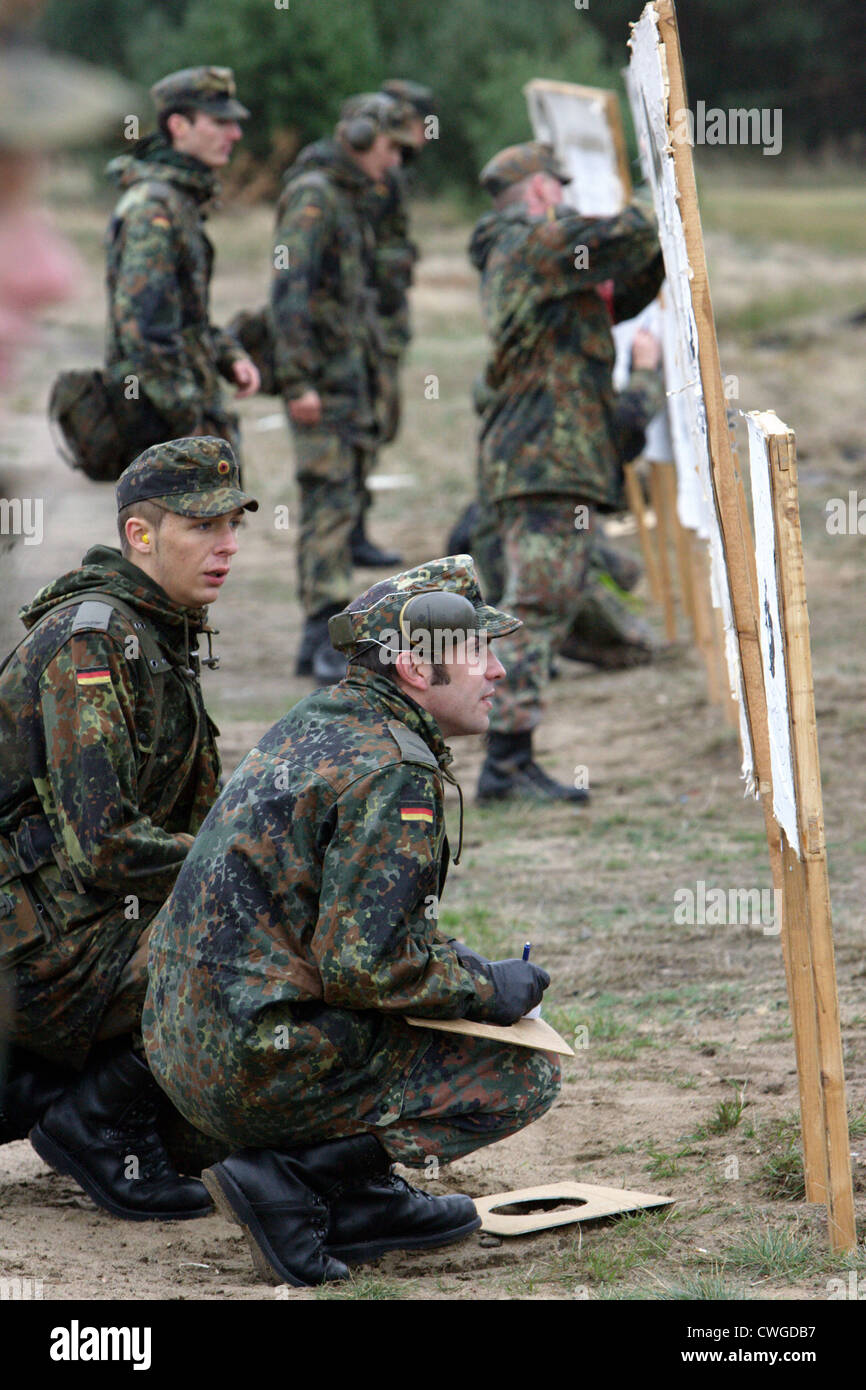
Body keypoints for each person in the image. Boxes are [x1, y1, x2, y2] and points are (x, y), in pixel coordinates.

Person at [143, 555, 561, 1287]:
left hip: (179, 1043)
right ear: (413, 668)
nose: (497, 671)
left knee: (421, 1017)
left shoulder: (326, 719)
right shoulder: (392, 771)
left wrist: (459, 970)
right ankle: (292, 1181)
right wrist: (488, 989)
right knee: (524, 1075)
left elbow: (342, 933)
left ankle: (362, 1201)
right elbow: (367, 967)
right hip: (247, 1061)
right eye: (476, 652)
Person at [0, 436, 258, 1220]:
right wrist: (249, 865)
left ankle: (70, 1093)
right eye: (202, 527)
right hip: (37, 945)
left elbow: (190, 814)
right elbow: (106, 844)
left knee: (227, 1129)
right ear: (141, 536)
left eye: (233, 526)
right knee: (250, 937)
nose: (227, 547)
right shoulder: (93, 641)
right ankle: (96, 1120)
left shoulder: (158, 632)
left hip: (68, 927)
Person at [469, 141, 665, 802]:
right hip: (543, 459)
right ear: (539, 193)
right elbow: (626, 233)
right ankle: (505, 764)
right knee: (537, 607)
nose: (567, 196)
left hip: (547, 459)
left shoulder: (534, 262)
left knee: (542, 605)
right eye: (560, 185)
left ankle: (511, 759)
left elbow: (621, 286)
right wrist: (661, 181)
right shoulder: (530, 244)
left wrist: (659, 255)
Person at [271, 93, 416, 684]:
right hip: (322, 384)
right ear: (359, 138)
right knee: (328, 500)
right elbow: (289, 291)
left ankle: (319, 640)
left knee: (344, 495)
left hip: (349, 379)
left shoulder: (349, 198)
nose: (395, 161)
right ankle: (324, 629)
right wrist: (297, 378)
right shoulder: (315, 198)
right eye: (390, 147)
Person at [104, 66, 260, 465]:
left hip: (178, 413)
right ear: (179, 125)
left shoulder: (180, 202)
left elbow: (187, 317)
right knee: (174, 528)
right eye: (220, 122)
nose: (235, 135)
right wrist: (189, 418)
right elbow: (144, 328)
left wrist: (229, 356)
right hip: (161, 425)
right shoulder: (154, 209)